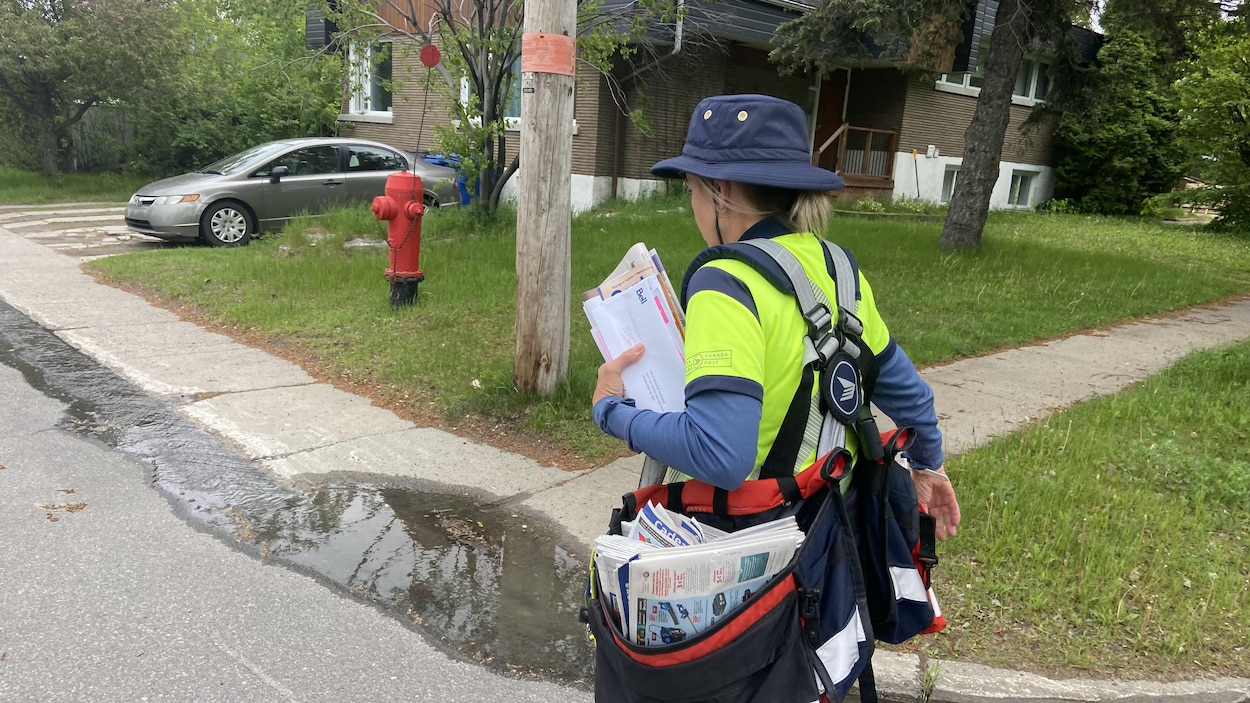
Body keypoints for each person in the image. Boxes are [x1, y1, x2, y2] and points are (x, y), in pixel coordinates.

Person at [591, 94, 960, 539]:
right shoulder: (838, 269)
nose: (693, 205)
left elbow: (721, 456)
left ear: (720, 190)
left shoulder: (725, 282)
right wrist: (929, 466)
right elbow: (910, 397)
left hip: (748, 550)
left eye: (691, 189)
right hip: (829, 541)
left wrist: (613, 411)